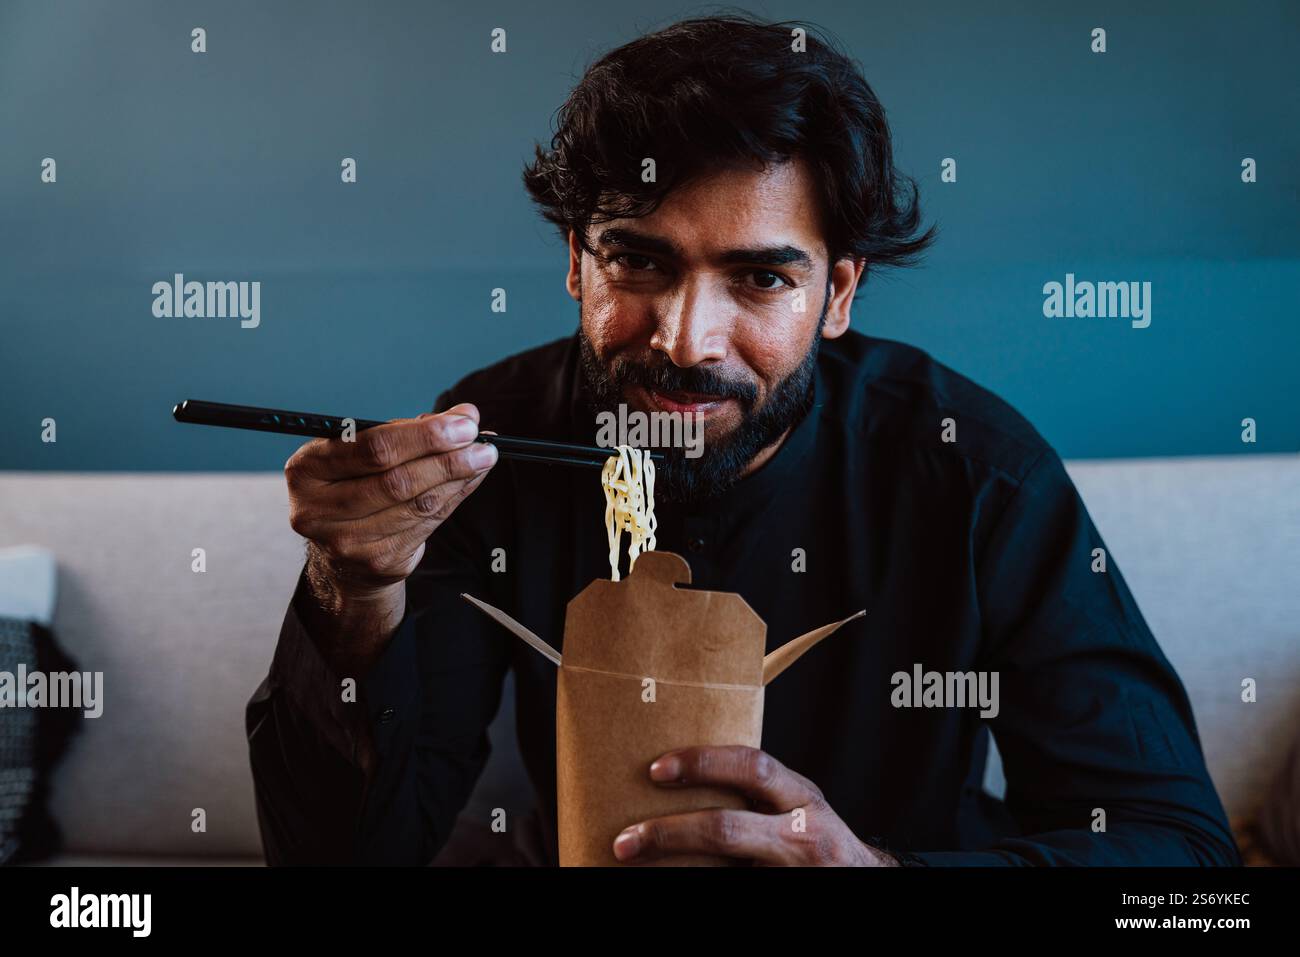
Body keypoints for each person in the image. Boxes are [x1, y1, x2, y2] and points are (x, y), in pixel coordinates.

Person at [245, 14, 1239, 866]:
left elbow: (1175, 851)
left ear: (837, 293)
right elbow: (348, 853)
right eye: (637, 260)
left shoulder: (975, 472)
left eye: (760, 278)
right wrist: (354, 592)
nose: (685, 340)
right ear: (575, 262)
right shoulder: (494, 441)